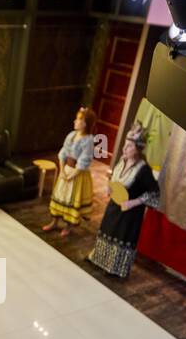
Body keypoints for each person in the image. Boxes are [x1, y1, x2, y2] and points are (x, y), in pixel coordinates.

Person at [88, 121, 160, 277]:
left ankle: (115, 269)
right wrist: (110, 186)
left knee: (121, 236)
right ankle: (100, 260)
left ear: (138, 150)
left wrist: (133, 202)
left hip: (130, 213)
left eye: (129, 147)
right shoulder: (122, 160)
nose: (124, 149)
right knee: (108, 230)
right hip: (114, 206)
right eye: (125, 145)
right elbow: (114, 177)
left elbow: (155, 193)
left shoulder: (143, 169)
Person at [42, 107, 97, 239]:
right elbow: (63, 152)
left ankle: (68, 226)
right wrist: (62, 170)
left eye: (78, 119)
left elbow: (85, 159)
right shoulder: (71, 135)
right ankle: (54, 222)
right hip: (66, 169)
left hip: (77, 173)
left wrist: (72, 175)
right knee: (60, 195)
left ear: (85, 123)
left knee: (71, 199)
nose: (75, 121)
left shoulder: (89, 140)